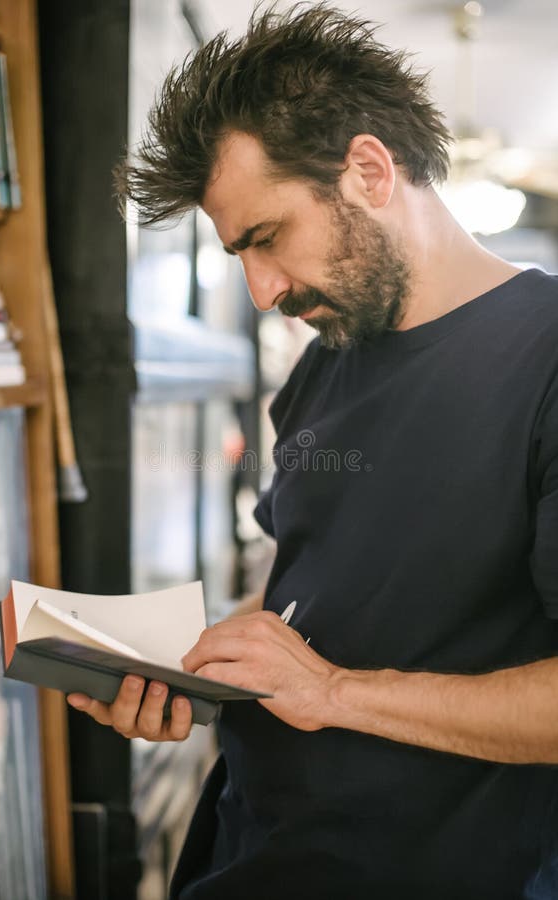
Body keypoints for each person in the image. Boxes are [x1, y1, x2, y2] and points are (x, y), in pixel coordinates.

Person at [67, 5, 558, 898]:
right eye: (236, 254)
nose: (260, 292)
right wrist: (196, 674)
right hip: (247, 851)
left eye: (267, 238)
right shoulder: (319, 372)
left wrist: (332, 693)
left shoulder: (546, 357)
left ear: (369, 169)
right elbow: (306, 591)